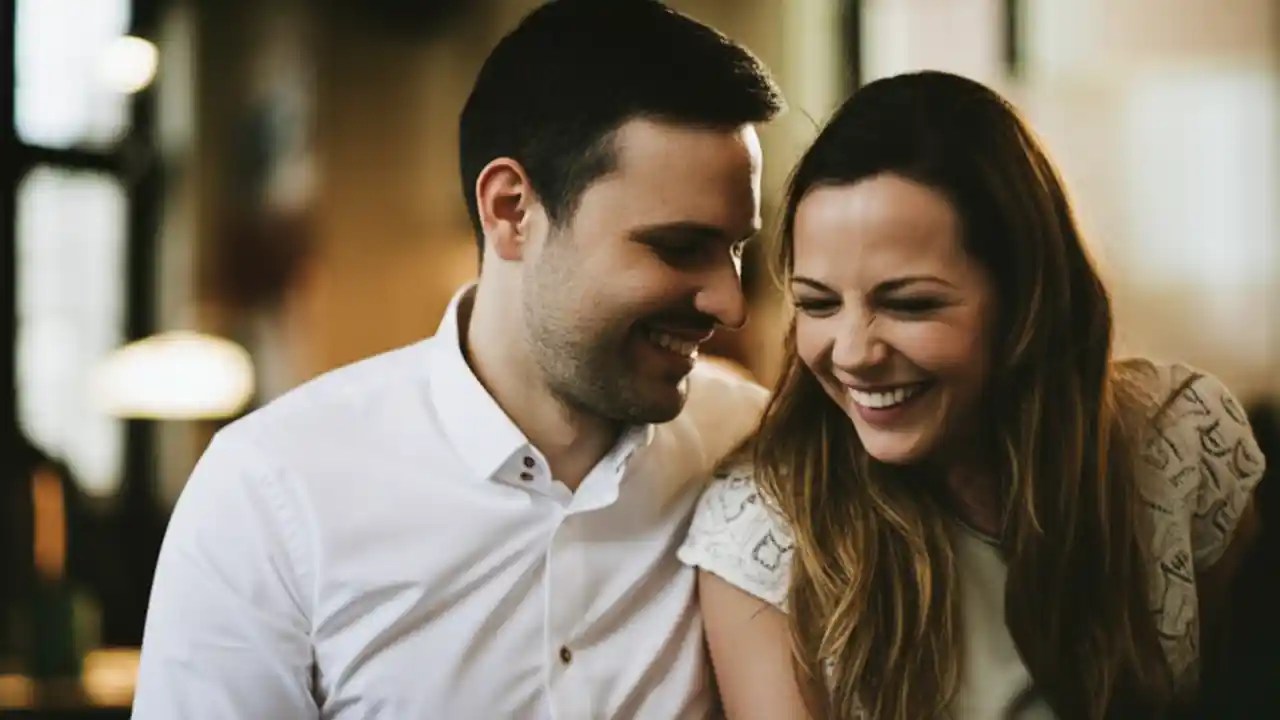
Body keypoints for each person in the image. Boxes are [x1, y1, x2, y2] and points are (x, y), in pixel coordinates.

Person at [133, 1, 783, 717]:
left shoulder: (754, 447)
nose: (729, 303)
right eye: (679, 247)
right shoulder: (269, 491)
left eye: (737, 249)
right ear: (511, 210)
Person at [679, 71, 1265, 719]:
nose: (852, 353)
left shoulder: (1179, 442)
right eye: (818, 304)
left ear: (1027, 298)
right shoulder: (763, 527)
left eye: (909, 304)